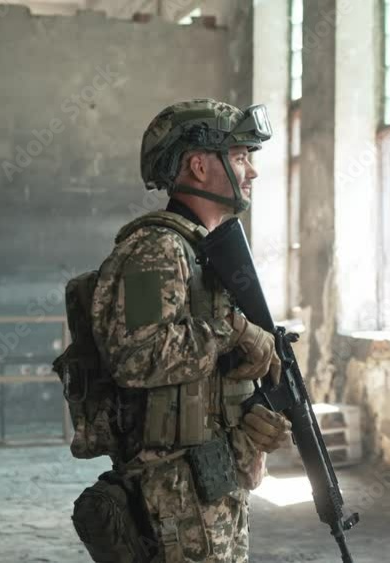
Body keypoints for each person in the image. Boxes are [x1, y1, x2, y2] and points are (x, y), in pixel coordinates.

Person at [88, 98, 291, 562]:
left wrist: (258, 416)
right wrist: (234, 330)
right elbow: (136, 356)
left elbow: (206, 370)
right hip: (173, 495)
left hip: (212, 479)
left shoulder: (205, 251)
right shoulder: (157, 249)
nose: (251, 172)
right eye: (240, 157)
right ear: (199, 166)